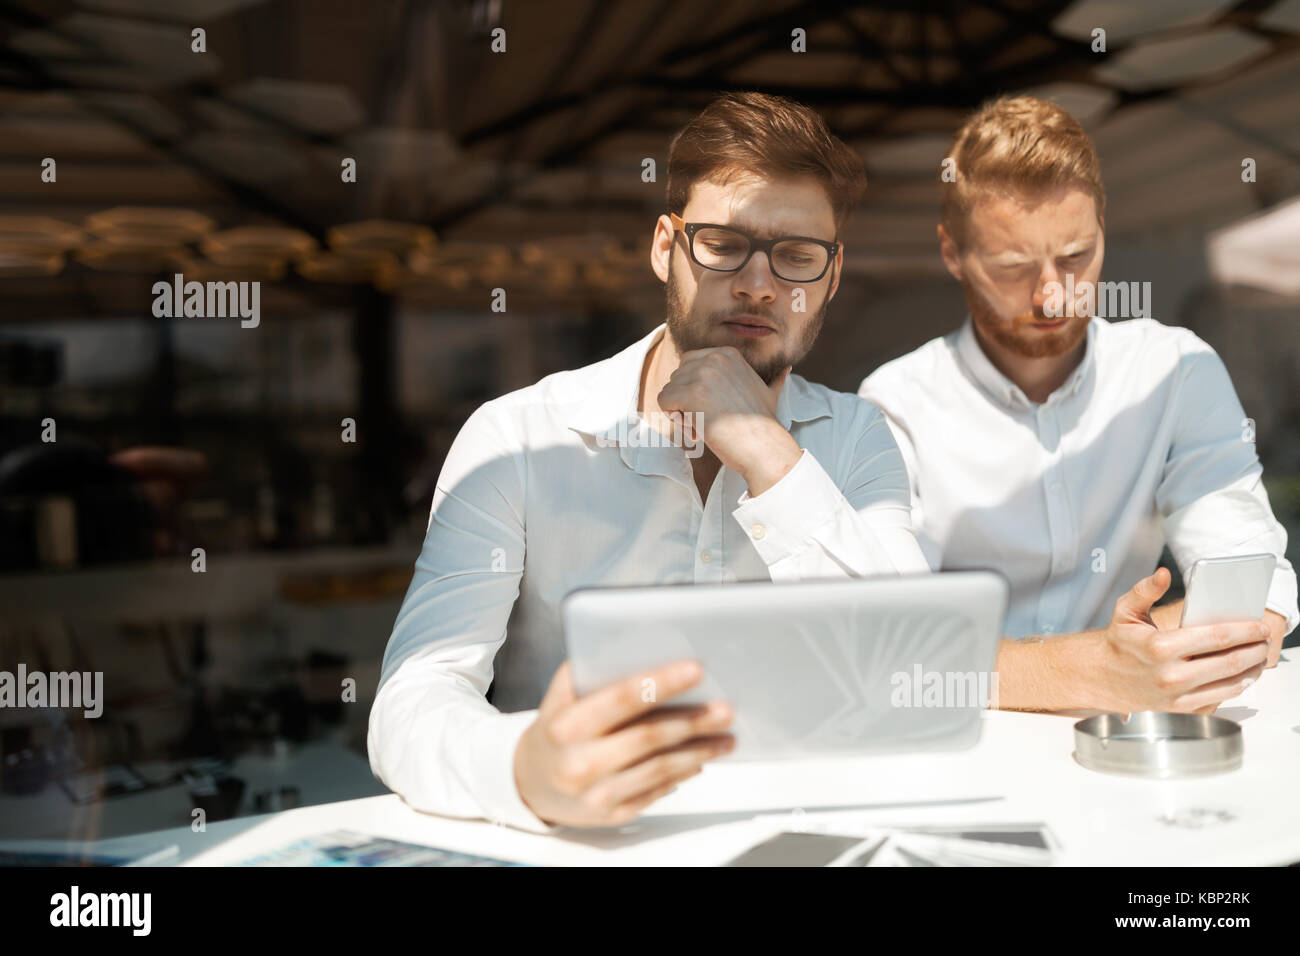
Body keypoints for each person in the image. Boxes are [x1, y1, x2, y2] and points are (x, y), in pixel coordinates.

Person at [369, 92, 930, 831]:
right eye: (725, 244)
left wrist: (768, 452)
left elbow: (915, 671)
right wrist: (522, 770)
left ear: (830, 277)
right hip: (585, 845)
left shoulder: (859, 436)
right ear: (666, 246)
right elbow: (412, 699)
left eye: (797, 257)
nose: (760, 284)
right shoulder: (519, 439)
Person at [858, 95, 1298, 714]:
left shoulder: (1173, 370)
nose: (1052, 295)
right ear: (952, 253)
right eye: (1012, 266)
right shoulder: (893, 406)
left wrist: (1126, 657)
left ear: (1102, 233)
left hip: (1134, 725)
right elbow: (889, 633)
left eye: (1075, 258)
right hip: (975, 736)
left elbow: (1253, 579)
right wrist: (1098, 666)